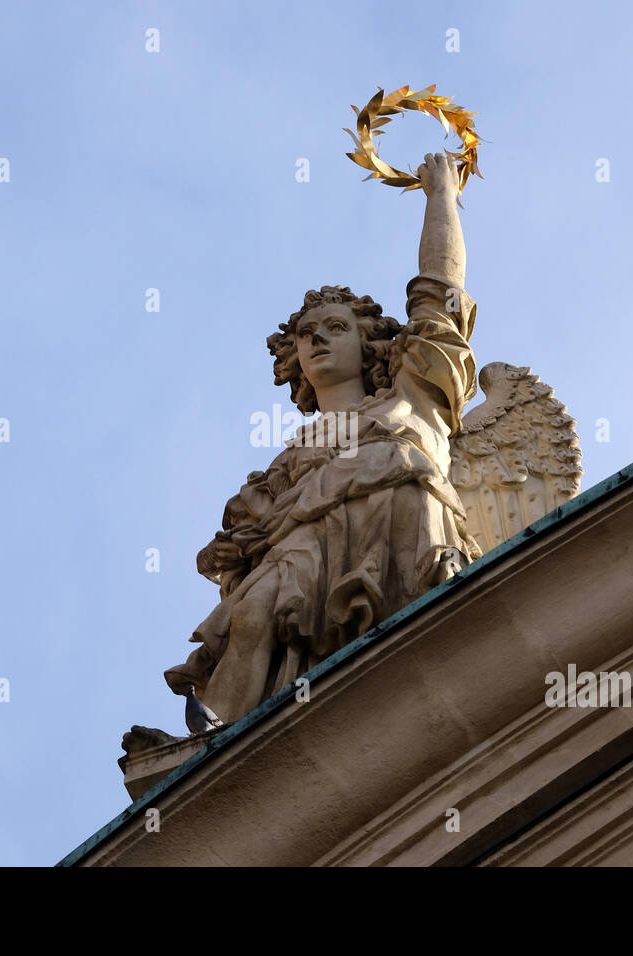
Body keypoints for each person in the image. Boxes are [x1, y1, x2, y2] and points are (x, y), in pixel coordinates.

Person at [164, 152, 482, 724]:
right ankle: (216, 737)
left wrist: (441, 195)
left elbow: (441, 296)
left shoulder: (412, 395)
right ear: (295, 362)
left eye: (336, 328)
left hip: (401, 539)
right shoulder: (285, 469)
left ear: (371, 342)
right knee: (253, 611)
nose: (317, 340)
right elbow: (241, 559)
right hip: (309, 554)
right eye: (307, 334)